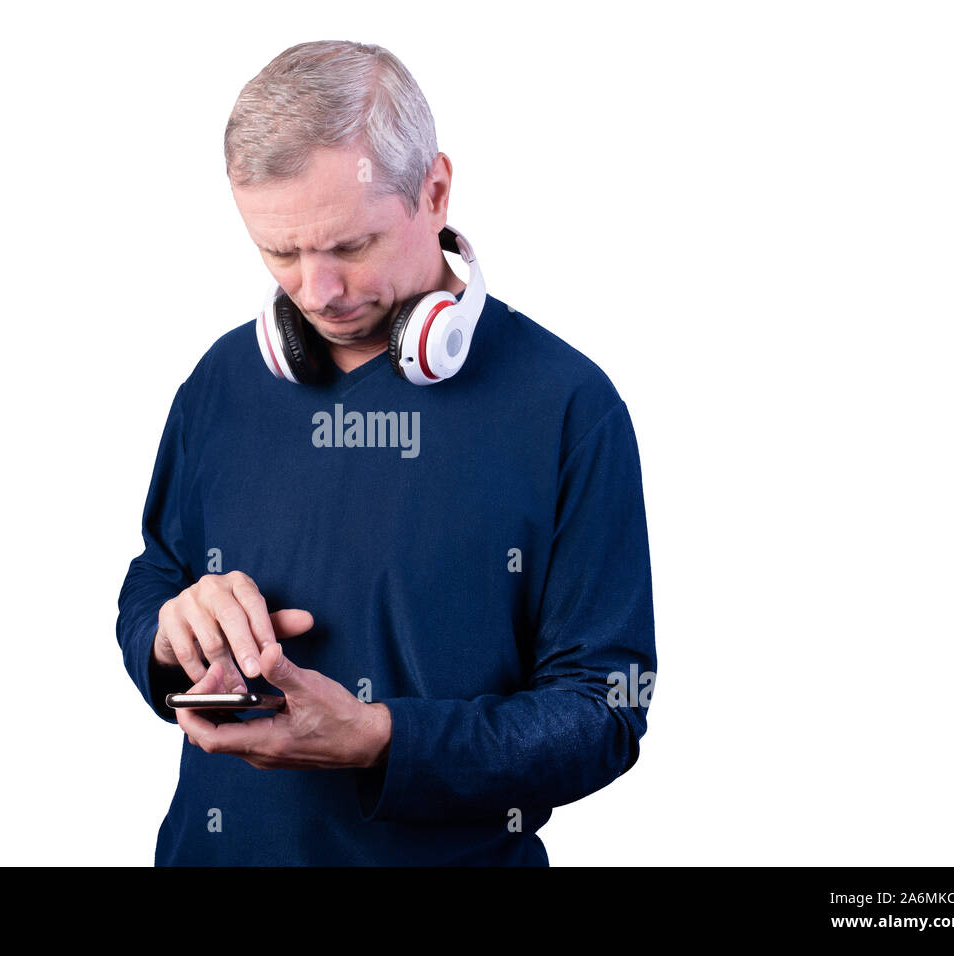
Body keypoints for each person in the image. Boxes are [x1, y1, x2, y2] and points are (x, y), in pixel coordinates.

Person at [116, 40, 657, 866]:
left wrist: (378, 737)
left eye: (351, 246)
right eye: (282, 253)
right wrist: (166, 632)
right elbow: (155, 575)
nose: (318, 291)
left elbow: (604, 711)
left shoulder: (569, 407)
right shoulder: (222, 381)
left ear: (434, 191)